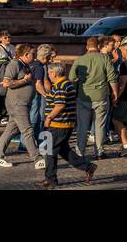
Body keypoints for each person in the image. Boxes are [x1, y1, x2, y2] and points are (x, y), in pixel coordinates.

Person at [41, 60, 96, 188]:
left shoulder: (61, 86)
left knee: (48, 151)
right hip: (65, 124)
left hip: (58, 124)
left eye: (49, 73)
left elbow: (59, 105)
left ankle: (50, 179)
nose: (48, 75)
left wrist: (49, 118)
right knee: (64, 151)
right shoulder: (66, 84)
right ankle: (88, 167)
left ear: (54, 73)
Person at [0, 44, 39, 167]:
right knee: (27, 130)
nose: (35, 56)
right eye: (33, 54)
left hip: (21, 103)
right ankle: (37, 158)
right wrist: (25, 80)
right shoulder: (14, 64)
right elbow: (6, 83)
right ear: (25, 55)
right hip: (17, 103)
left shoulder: (24, 65)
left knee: (10, 130)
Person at [71, 36, 117, 160]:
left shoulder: (79, 60)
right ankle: (99, 152)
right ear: (98, 46)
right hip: (101, 96)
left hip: (83, 97)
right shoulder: (104, 59)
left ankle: (80, 152)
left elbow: (72, 79)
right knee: (100, 125)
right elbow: (112, 78)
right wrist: (115, 93)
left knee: (82, 126)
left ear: (87, 47)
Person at [29, 44, 54, 162]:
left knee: (33, 120)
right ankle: (34, 145)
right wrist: (47, 95)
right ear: (45, 57)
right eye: (49, 57)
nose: (50, 60)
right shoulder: (39, 66)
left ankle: (28, 144)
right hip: (35, 96)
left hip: (29, 95)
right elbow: (38, 84)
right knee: (36, 120)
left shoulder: (32, 63)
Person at [0, 30, 15, 123]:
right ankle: (2, 115)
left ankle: (10, 113)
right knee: (2, 93)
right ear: (0, 39)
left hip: (11, 71)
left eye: (9, 37)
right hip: (1, 72)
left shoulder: (12, 47)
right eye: (5, 37)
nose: (8, 39)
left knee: (11, 93)